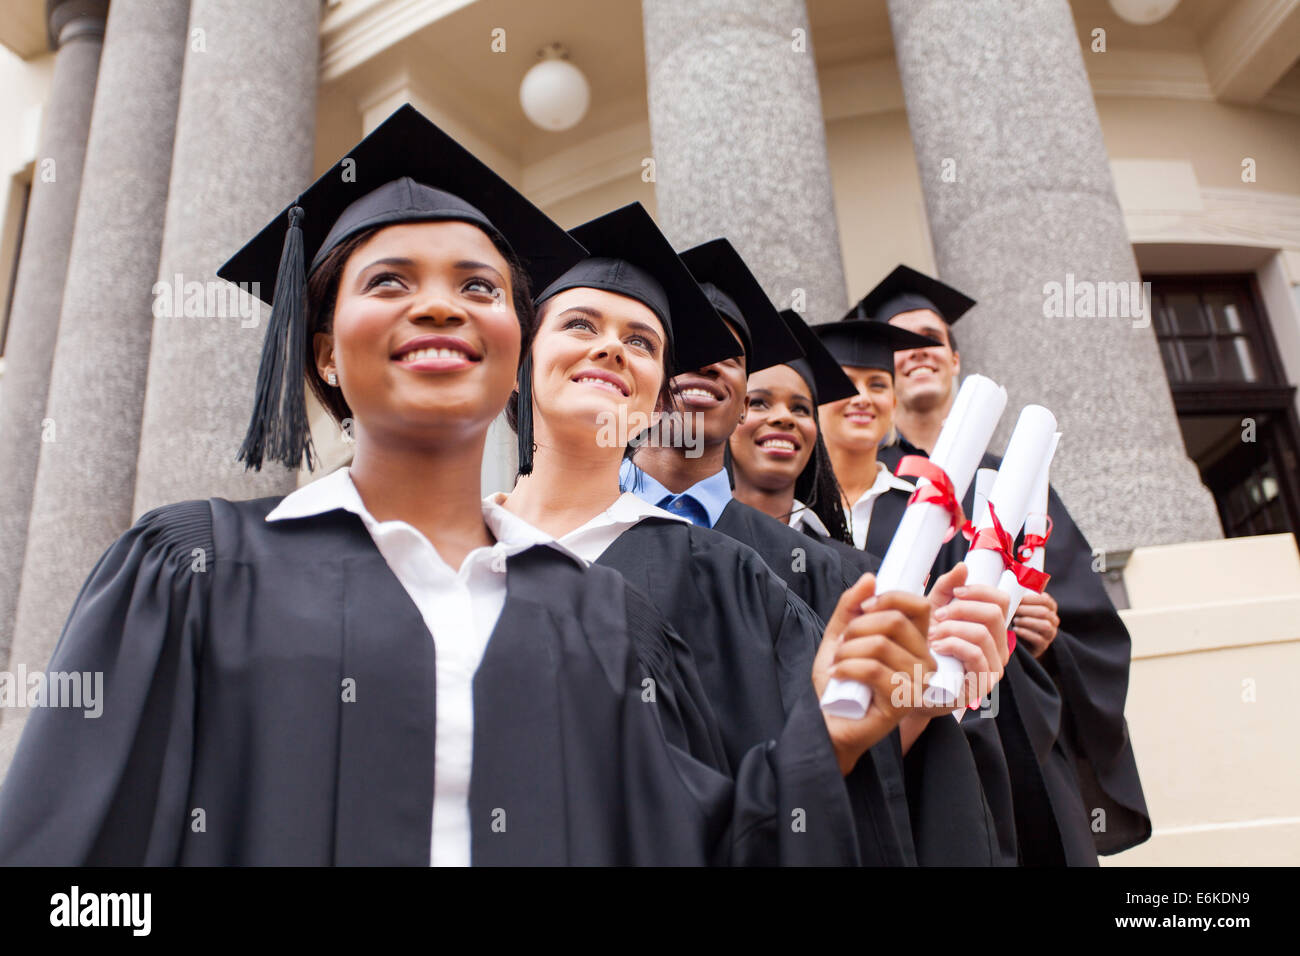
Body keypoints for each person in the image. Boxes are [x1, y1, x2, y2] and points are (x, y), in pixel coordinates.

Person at [0, 107, 804, 866]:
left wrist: (840, 732)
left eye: (479, 288)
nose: (440, 307)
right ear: (322, 354)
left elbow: (693, 844)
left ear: (510, 349)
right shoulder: (191, 572)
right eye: (389, 282)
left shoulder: (603, 616)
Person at [499, 203, 946, 865]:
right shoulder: (430, 552)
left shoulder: (736, 580)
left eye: (644, 341)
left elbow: (793, 791)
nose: (611, 348)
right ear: (520, 354)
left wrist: (922, 695)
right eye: (579, 324)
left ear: (659, 395)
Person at [852, 263, 1151, 862]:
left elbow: (1089, 621)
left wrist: (1049, 635)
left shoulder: (1019, 481)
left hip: (1021, 738)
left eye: (931, 339)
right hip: (920, 739)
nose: (917, 354)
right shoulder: (869, 486)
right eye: (899, 345)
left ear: (955, 359)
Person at [730, 308, 1019, 865]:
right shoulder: (685, 549)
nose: (782, 420)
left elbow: (891, 735)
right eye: (758, 402)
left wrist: (937, 678)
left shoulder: (851, 566)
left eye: (799, 407)